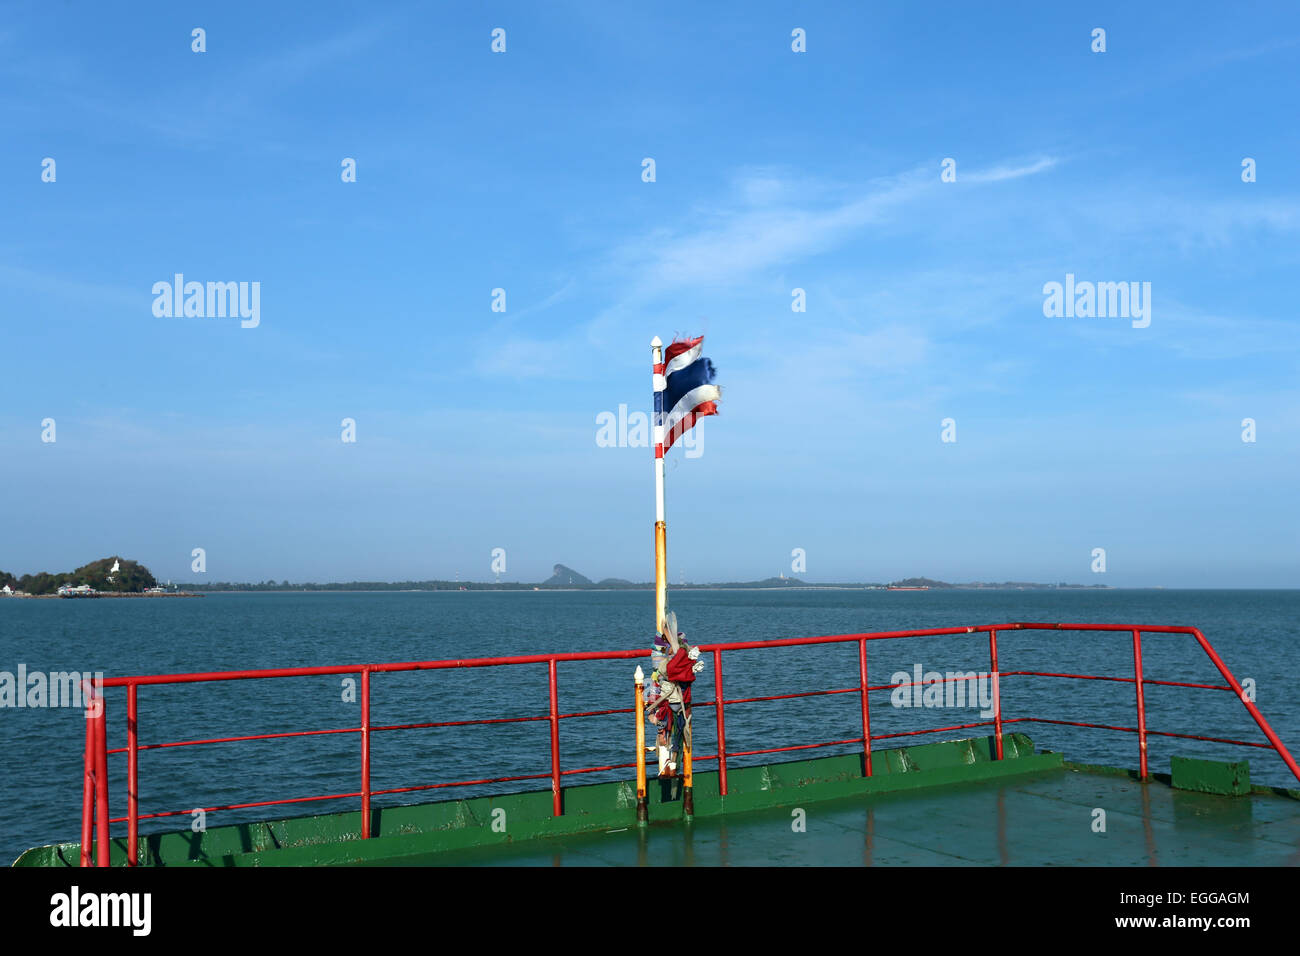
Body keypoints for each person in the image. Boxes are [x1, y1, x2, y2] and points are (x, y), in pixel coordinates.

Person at [643, 611, 703, 778]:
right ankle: (673, 762)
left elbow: (660, 669)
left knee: (670, 731)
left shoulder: (665, 668)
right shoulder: (684, 664)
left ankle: (668, 757)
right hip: (681, 704)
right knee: (677, 734)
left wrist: (664, 630)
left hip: (669, 703)